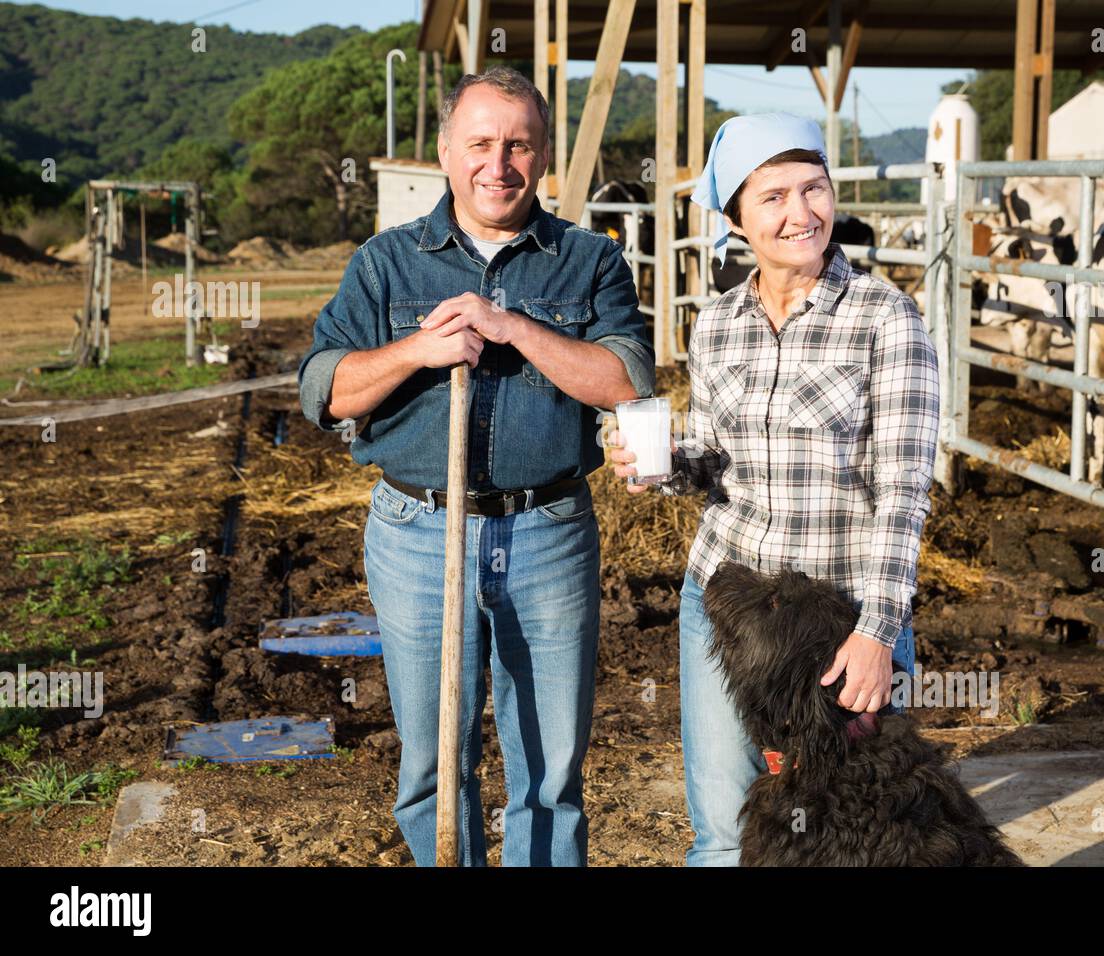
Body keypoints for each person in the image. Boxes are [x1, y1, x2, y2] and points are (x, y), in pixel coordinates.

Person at [298, 66, 654, 866]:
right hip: (417, 532)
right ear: (446, 151)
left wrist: (513, 327)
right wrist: (418, 350)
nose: (499, 165)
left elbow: (628, 381)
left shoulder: (588, 260)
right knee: (431, 764)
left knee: (550, 770)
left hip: (550, 531)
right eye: (481, 143)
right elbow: (323, 391)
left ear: (544, 154)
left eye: (519, 145)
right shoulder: (386, 263)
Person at [608, 113, 940, 866]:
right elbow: (716, 458)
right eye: (774, 198)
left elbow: (905, 492)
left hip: (839, 617)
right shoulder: (717, 322)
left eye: (814, 189)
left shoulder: (886, 320)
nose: (802, 214)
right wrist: (663, 467)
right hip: (725, 601)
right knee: (727, 830)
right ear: (735, 220)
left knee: (867, 833)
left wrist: (878, 632)